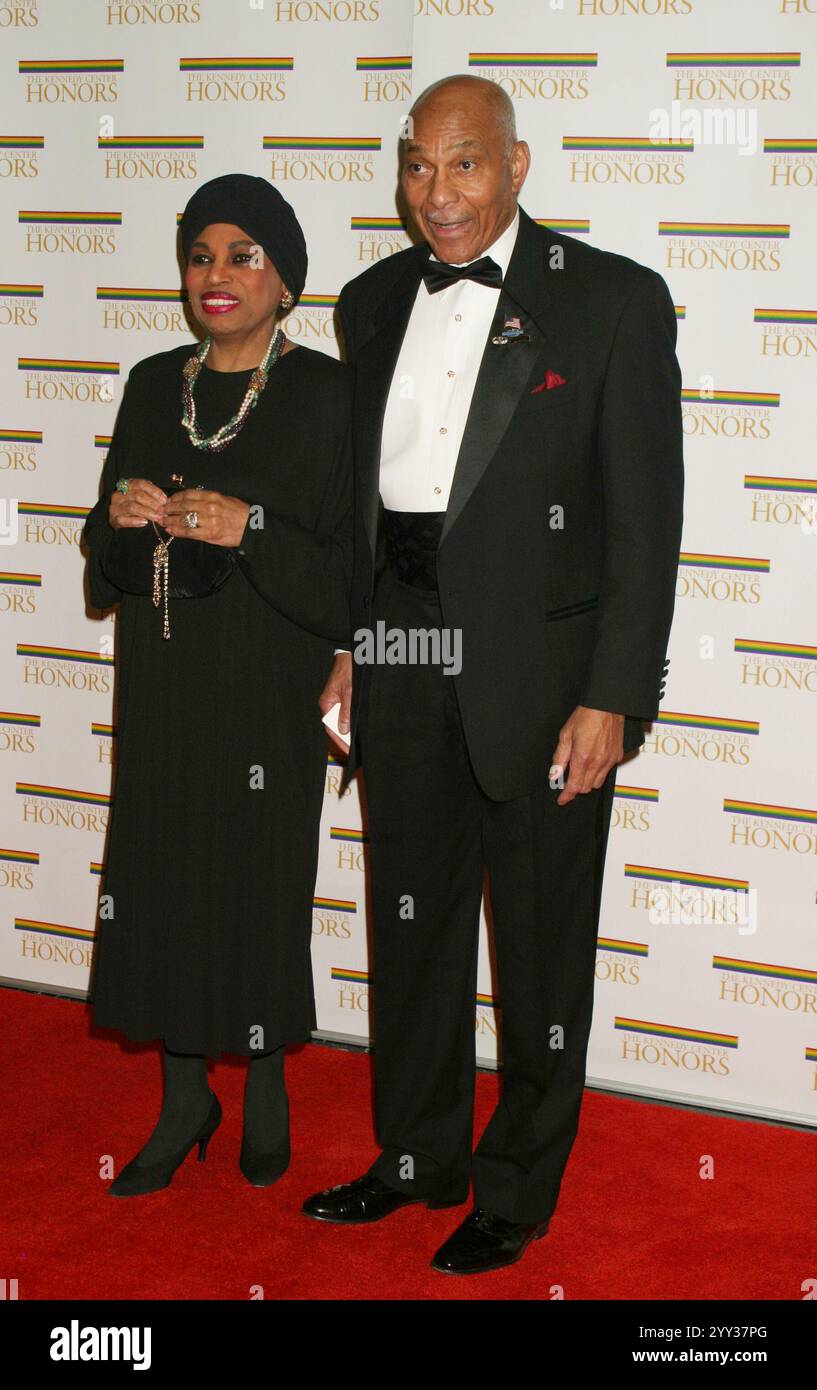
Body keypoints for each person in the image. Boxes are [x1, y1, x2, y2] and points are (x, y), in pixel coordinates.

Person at [305, 75, 684, 1274]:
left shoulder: (612, 301)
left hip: (546, 671)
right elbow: (362, 514)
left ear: (518, 165)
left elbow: (644, 522)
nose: (437, 193)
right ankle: (417, 1157)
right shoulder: (368, 302)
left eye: (464, 164)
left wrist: (613, 695)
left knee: (535, 944)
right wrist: (356, 647)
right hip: (404, 645)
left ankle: (517, 1186)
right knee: (409, 927)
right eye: (417, 165)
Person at [83, 173, 352, 1196]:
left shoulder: (326, 395)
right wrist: (118, 519)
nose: (218, 274)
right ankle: (185, 1095)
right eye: (201, 254)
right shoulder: (155, 383)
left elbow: (349, 573)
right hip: (163, 680)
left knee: (257, 876)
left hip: (269, 685)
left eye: (245, 255)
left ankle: (269, 1078)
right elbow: (97, 563)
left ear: (286, 279)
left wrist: (252, 529)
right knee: (158, 876)